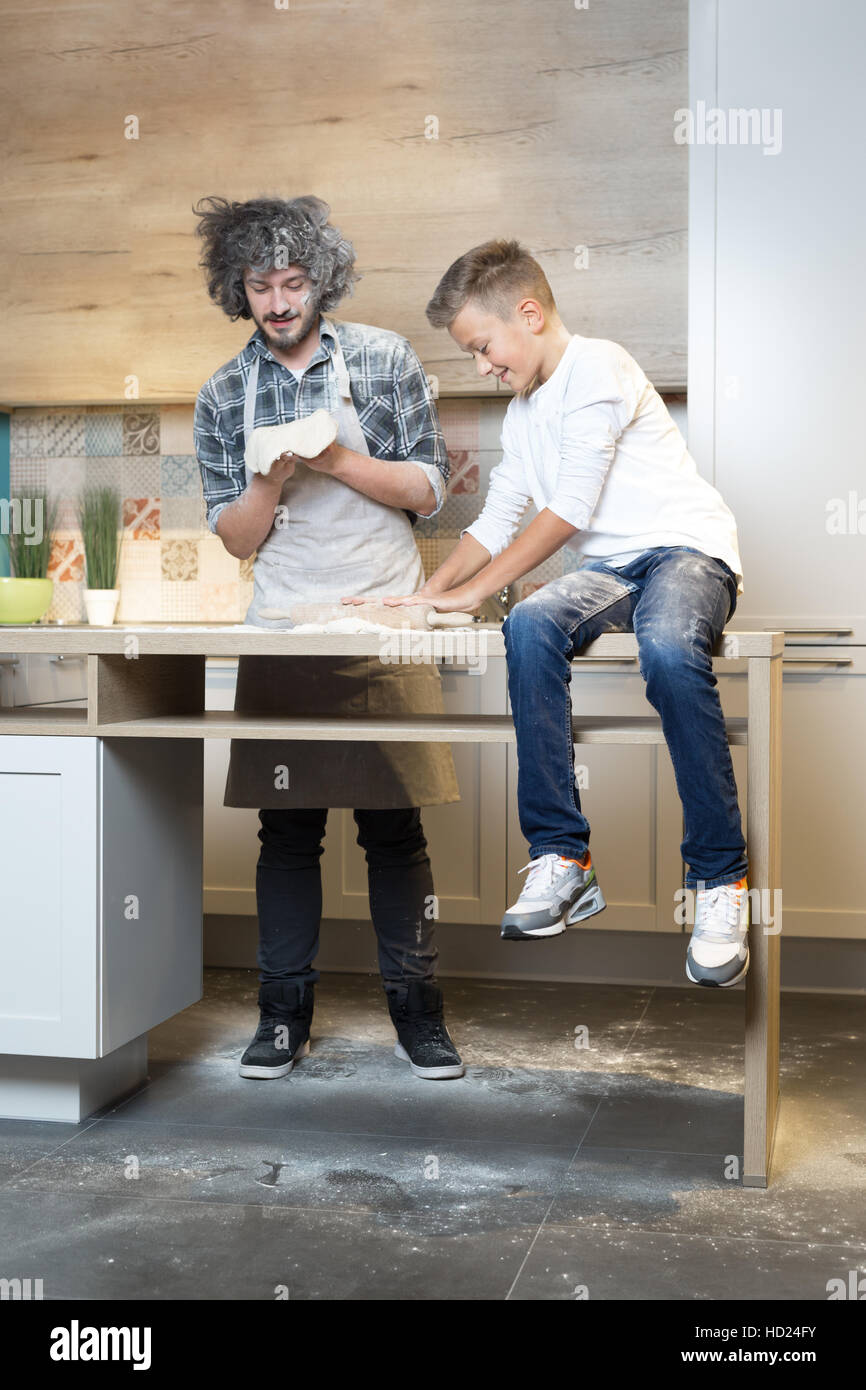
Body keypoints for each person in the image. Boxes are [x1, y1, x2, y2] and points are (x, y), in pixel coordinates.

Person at [384, 238, 750, 988]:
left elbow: (568, 508)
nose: (482, 365)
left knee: (671, 649)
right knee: (530, 622)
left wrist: (474, 593)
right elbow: (497, 519)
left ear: (529, 313)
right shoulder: (523, 413)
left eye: (483, 347)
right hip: (613, 570)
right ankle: (562, 859)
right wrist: (432, 591)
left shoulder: (600, 367)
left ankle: (721, 883)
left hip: (686, 552)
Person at [192, 194, 464, 1079]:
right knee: (287, 831)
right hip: (283, 628)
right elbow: (235, 539)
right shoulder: (224, 393)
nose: (278, 302)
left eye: (294, 282)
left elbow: (431, 492)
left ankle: (419, 1016)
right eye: (260, 285)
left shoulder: (384, 360)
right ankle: (281, 1018)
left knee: (395, 833)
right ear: (238, 287)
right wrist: (269, 482)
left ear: (323, 280)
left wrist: (332, 458)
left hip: (384, 620)